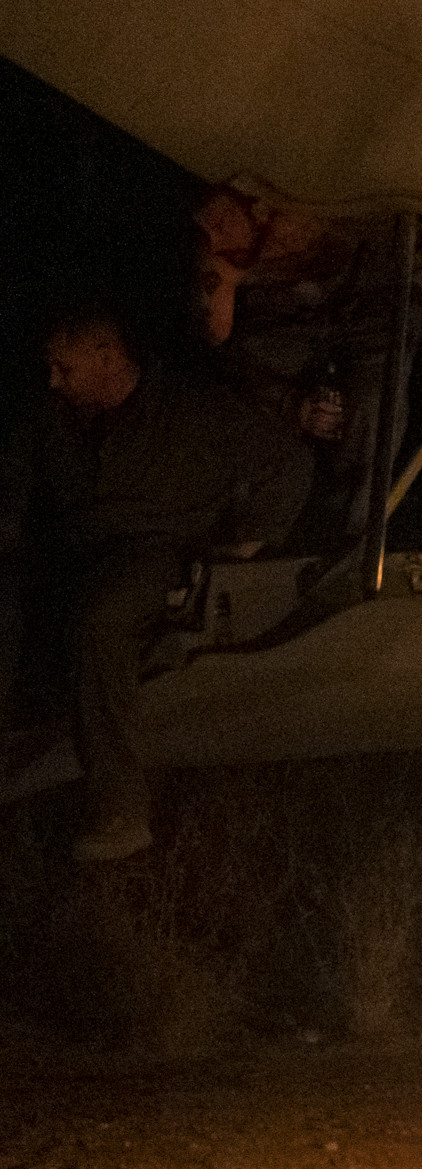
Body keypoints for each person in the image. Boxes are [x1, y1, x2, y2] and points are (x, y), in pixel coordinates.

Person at [37, 313, 309, 860]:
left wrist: (244, 544)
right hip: (72, 542)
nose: (53, 381)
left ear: (107, 356)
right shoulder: (59, 416)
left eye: (64, 368)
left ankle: (121, 809)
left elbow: (287, 464)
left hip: (155, 548)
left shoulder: (192, 410)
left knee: (100, 619)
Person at [191, 179, 412, 551]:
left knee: (375, 409)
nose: (215, 234)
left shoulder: (316, 208)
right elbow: (220, 346)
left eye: (221, 222)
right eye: (209, 227)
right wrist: (293, 404)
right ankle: (284, 541)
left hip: (370, 316)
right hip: (289, 328)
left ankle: (346, 544)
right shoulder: (221, 260)